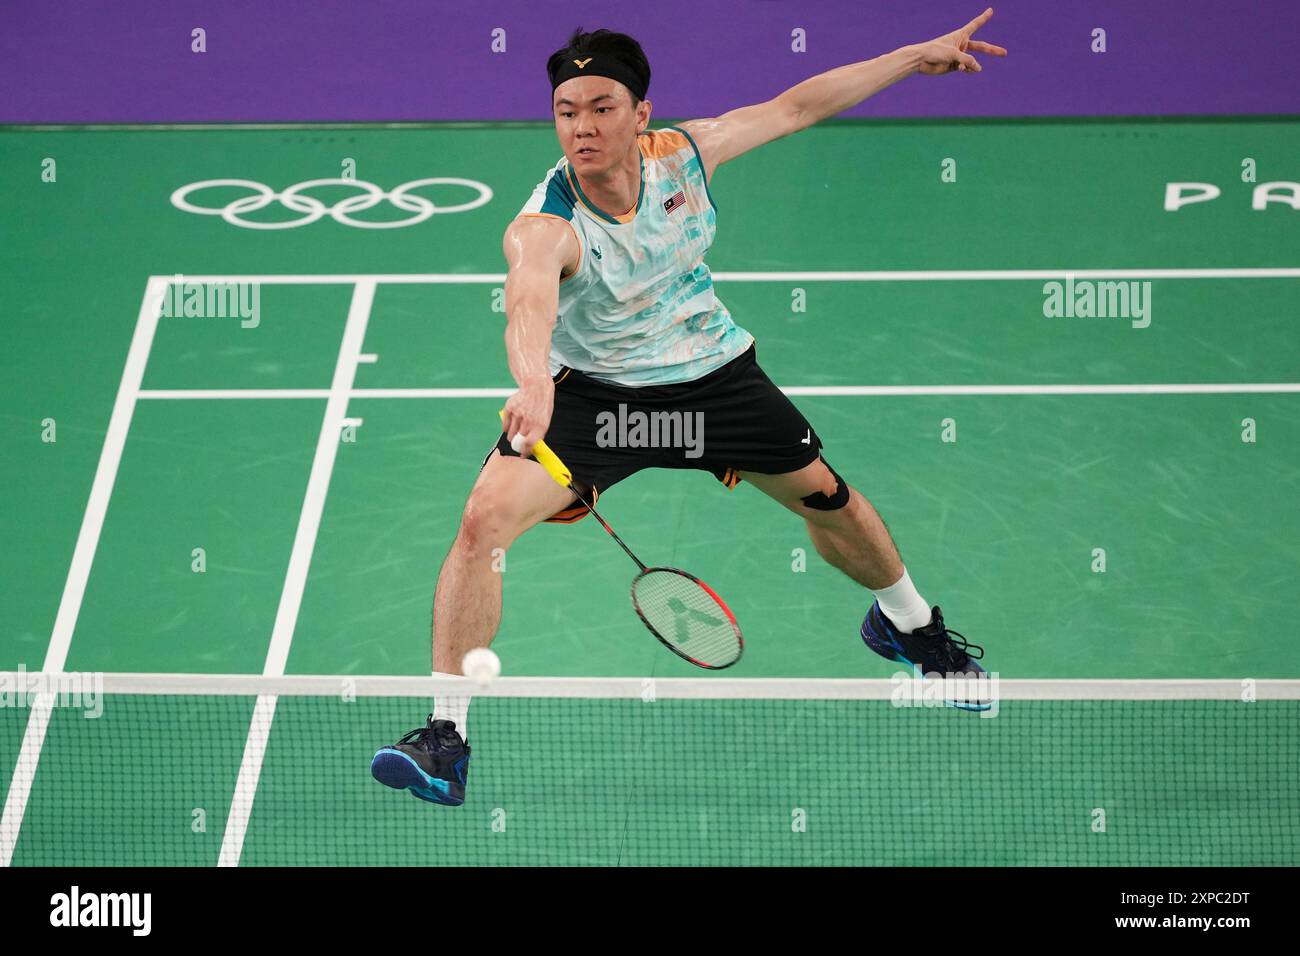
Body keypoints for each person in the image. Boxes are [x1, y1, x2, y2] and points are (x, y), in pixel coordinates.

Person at [371, 11, 1008, 805]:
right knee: (482, 520)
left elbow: (795, 107)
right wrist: (533, 383)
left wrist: (915, 56)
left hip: (715, 381)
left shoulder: (683, 156)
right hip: (598, 400)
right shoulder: (548, 223)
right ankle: (444, 734)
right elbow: (527, 295)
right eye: (568, 111)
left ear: (641, 115)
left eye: (603, 107)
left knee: (833, 502)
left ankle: (907, 626)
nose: (583, 127)